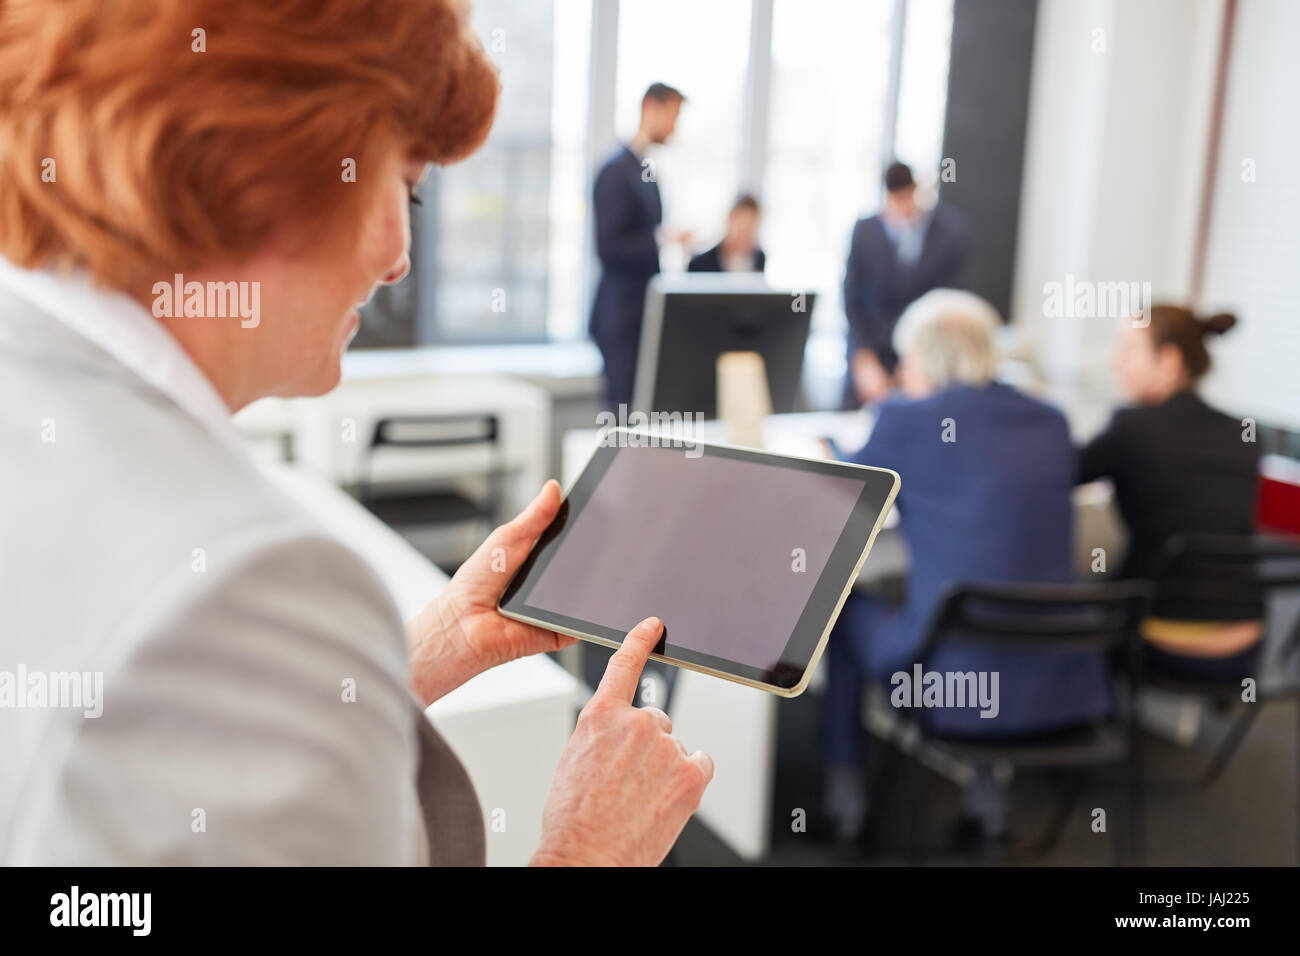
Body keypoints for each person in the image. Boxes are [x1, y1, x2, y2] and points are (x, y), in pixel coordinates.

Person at [0, 0, 711, 866]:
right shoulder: (255, 581)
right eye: (405, 187)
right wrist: (591, 848)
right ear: (266, 165)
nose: (400, 256)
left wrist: (427, 650)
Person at [819, 290, 1111, 851]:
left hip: (954, 691)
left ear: (924, 360)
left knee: (842, 603)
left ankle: (844, 803)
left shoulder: (904, 417)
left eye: (906, 359)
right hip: (1059, 681)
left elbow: (847, 493)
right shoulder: (1050, 421)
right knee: (980, 614)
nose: (902, 371)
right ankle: (987, 810)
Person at [1078, 307, 1262, 680]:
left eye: (1128, 350)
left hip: (1160, 639)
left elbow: (1055, 475)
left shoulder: (1131, 426)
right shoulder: (1243, 433)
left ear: (1169, 362)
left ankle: (1089, 721)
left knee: (1074, 596)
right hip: (1246, 640)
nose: (1116, 362)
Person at [589, 82, 687, 410]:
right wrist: (662, 239)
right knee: (622, 417)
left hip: (643, 315)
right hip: (620, 318)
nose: (675, 126)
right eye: (673, 116)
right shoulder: (615, 172)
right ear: (651, 109)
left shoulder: (645, 172)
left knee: (641, 413)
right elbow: (608, 247)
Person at [842, 161, 970, 407]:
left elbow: (949, 301)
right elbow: (852, 301)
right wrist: (864, 358)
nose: (901, 207)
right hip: (872, 353)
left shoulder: (952, 234)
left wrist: (919, 366)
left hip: (925, 358)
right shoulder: (865, 231)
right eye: (894, 200)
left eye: (905, 197)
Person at [688, 194, 766, 273]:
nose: (745, 232)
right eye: (741, 223)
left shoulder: (759, 258)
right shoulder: (700, 264)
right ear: (730, 219)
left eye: (751, 225)